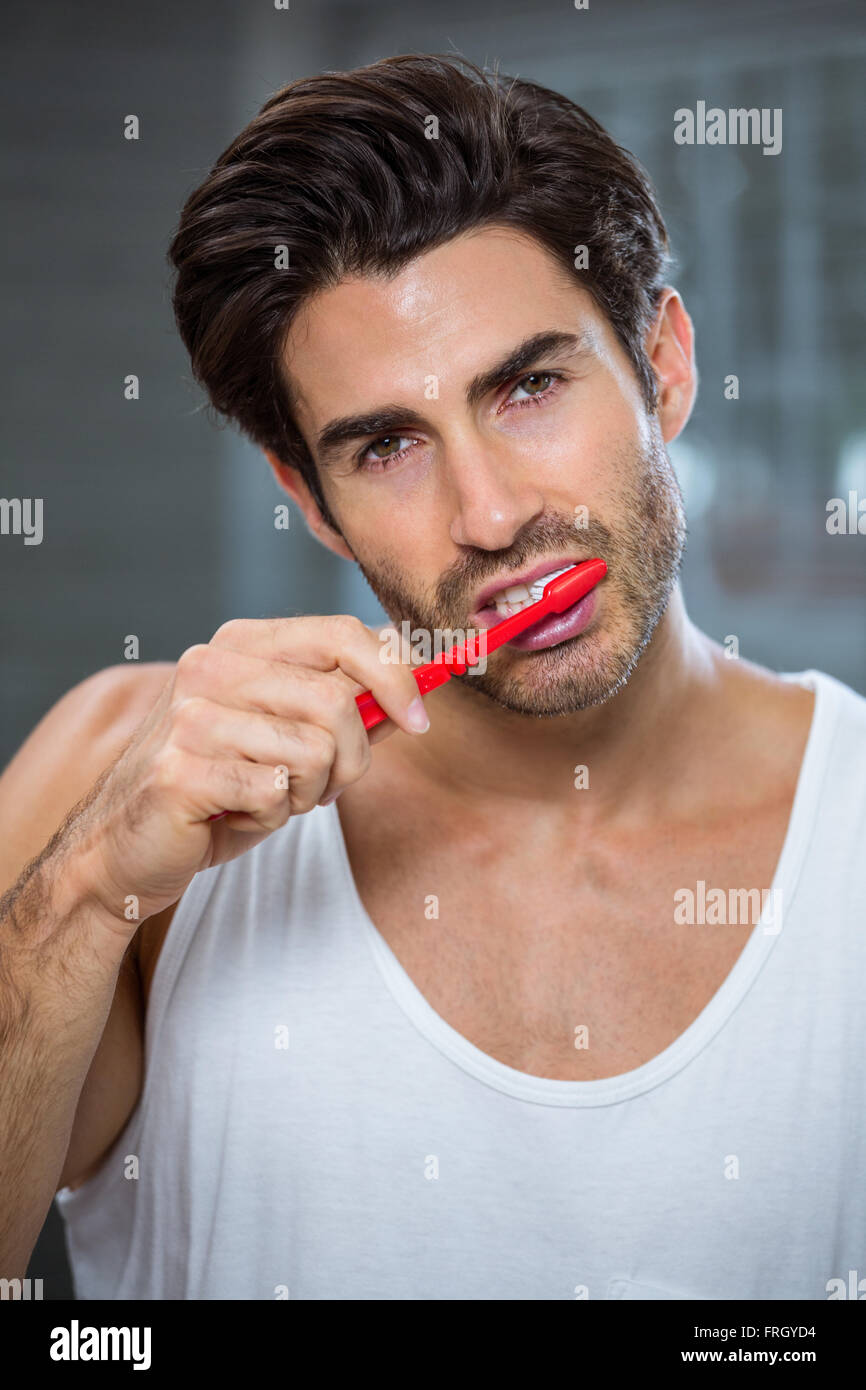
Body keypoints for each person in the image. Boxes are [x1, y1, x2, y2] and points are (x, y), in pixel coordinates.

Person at [1, 54, 863, 1302]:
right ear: (311, 499)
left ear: (662, 367)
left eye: (527, 387)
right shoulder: (116, 776)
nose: (491, 513)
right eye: (388, 445)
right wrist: (83, 894)